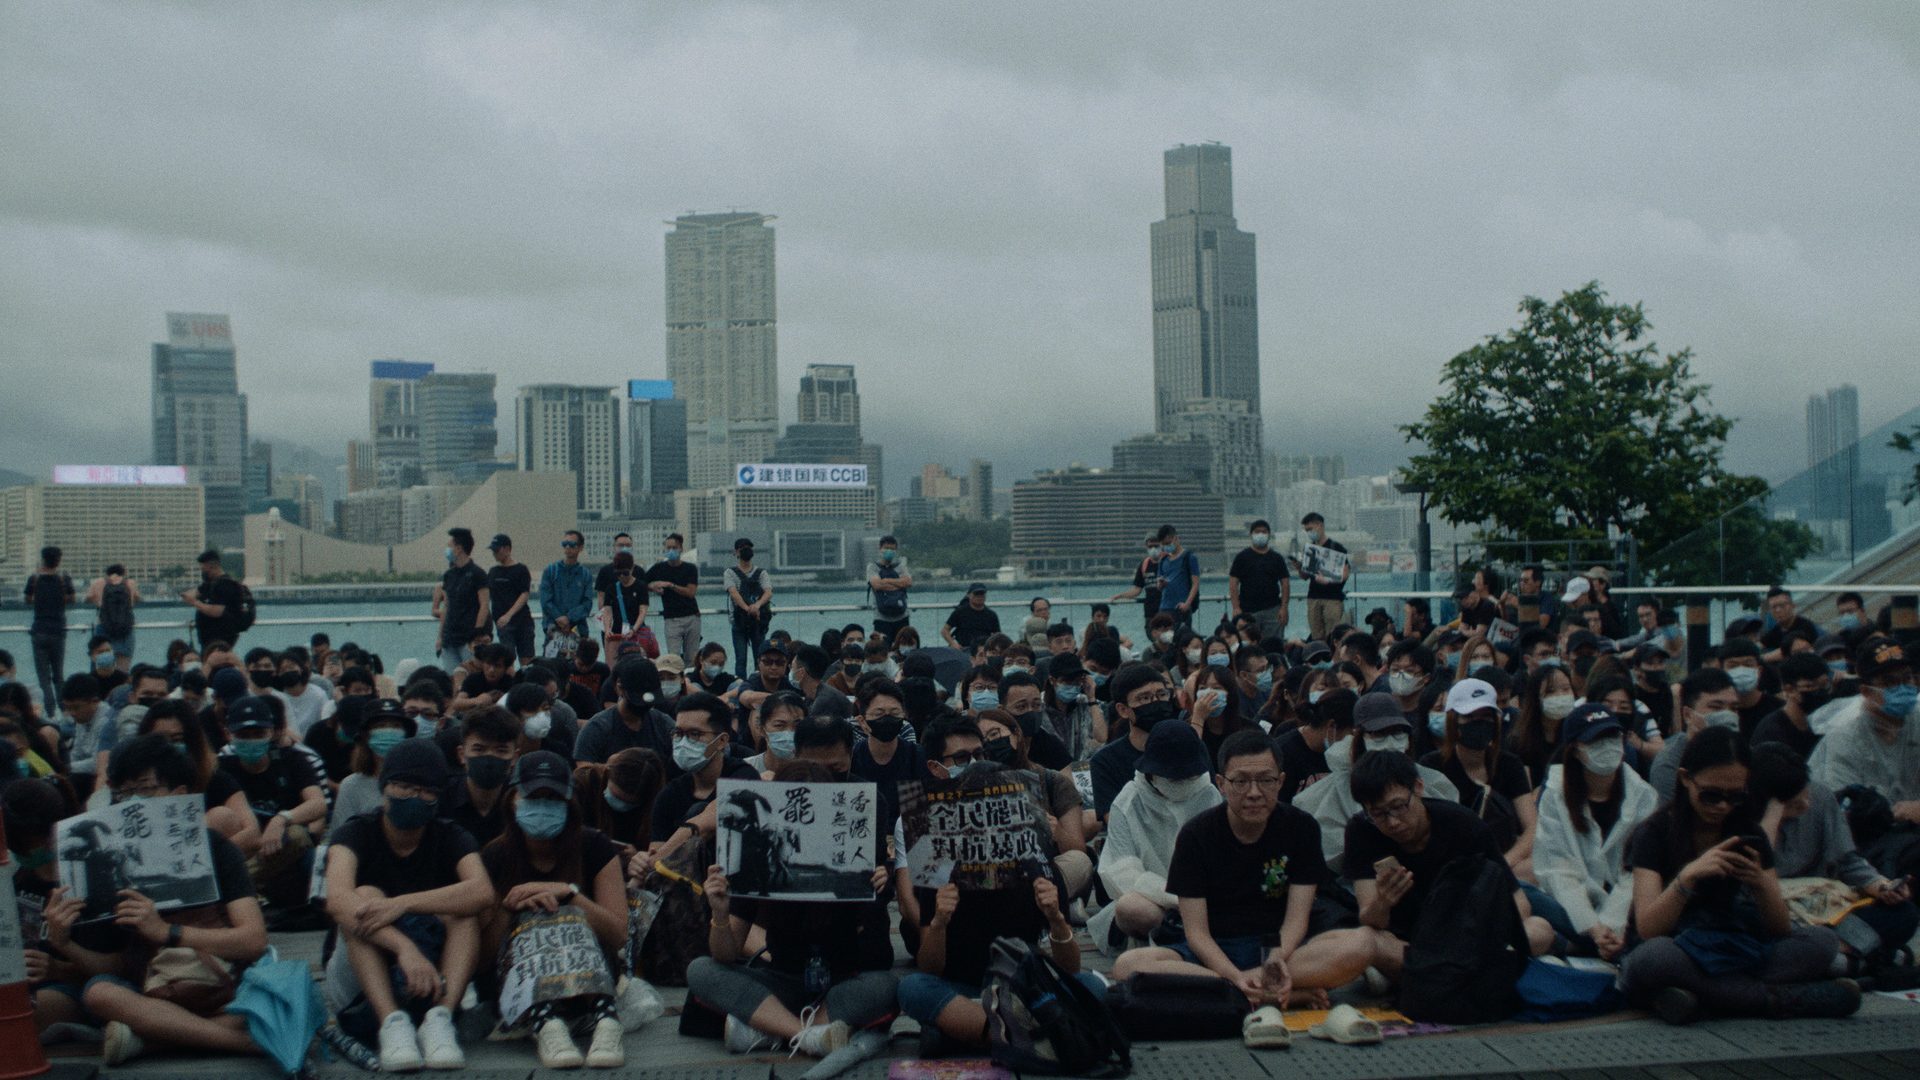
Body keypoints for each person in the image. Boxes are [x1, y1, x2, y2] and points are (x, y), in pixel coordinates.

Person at [1110, 728, 1389, 1008]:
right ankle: (1263, 993)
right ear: (1221, 784)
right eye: (1240, 781)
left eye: (1265, 780)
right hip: (1213, 952)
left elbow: (1296, 920)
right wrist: (1234, 975)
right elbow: (1197, 934)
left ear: (1280, 781)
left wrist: (1275, 960)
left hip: (1281, 949)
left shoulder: (1301, 827)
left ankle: (1231, 994)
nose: (1254, 793)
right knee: (1129, 965)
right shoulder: (1196, 835)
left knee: (1362, 943)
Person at [51, 738, 271, 1066]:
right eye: (122, 794)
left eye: (145, 789)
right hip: (152, 990)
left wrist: (167, 931)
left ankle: (154, 1039)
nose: (131, 803)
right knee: (99, 992)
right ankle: (240, 1039)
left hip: (221, 982)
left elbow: (253, 941)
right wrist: (65, 942)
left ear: (178, 795)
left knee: (263, 996)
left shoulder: (215, 848)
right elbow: (117, 966)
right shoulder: (106, 862)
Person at [1620, 726, 1860, 1024]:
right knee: (1653, 958)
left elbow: (1779, 928)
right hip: (1676, 945)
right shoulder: (1655, 832)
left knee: (1822, 941)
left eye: (1734, 797)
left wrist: (1761, 885)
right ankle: (1778, 999)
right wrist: (1686, 880)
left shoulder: (1748, 832)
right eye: (1710, 795)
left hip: (1729, 946)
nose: (1721, 806)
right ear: (1685, 779)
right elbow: (1648, 929)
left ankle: (1705, 999)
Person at [688, 759, 899, 1057]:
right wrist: (720, 914)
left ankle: (769, 1031)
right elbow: (725, 954)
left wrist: (876, 899)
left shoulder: (851, 860)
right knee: (701, 970)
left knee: (886, 985)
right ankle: (806, 1036)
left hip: (840, 983)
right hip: (782, 981)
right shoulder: (757, 864)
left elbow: (880, 960)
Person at [324, 738, 490, 1070]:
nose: (413, 796)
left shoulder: (450, 836)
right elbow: (337, 900)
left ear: (438, 797)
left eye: (425, 790)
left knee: (464, 911)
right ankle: (392, 1024)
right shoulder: (355, 833)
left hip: (431, 978)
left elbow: (482, 891)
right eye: (402, 786)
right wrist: (404, 949)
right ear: (384, 787)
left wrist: (403, 904)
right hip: (362, 978)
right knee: (366, 897)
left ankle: (439, 1019)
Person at [898, 768, 1088, 1054]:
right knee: (912, 988)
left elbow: (1071, 967)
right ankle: (1025, 1036)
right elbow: (930, 967)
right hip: (964, 989)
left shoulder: (1037, 865)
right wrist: (939, 922)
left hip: (1024, 989)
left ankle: (973, 1033)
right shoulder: (939, 868)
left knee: (1091, 985)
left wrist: (1056, 919)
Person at [1344, 751, 1554, 984]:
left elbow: (1519, 902)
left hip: (1466, 935)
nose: (1393, 822)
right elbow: (1370, 921)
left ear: (1419, 787)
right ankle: (1452, 974)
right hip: (1409, 943)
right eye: (1378, 814)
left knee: (1539, 929)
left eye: (1399, 806)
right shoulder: (1361, 831)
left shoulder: (1463, 825)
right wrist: (1383, 902)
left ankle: (1425, 976)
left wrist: (1475, 933)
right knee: (1369, 940)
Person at [479, 752, 627, 1068]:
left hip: (589, 977)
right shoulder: (495, 856)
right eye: (534, 797)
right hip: (522, 981)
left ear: (569, 802)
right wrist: (510, 908)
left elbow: (618, 934)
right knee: (535, 919)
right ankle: (547, 1024)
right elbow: (483, 955)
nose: (543, 806)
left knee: (566, 915)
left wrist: (571, 896)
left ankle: (606, 1020)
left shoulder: (595, 846)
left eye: (553, 798)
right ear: (513, 799)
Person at [1752, 742, 1918, 974]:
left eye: (1806, 794)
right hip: (1776, 912)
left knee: (1904, 915)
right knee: (1751, 924)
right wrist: (1773, 817)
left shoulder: (1820, 796)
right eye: (1794, 802)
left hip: (1825, 909)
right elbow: (1756, 870)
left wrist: (1882, 886)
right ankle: (1867, 958)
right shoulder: (1748, 813)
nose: (1806, 804)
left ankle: (1839, 957)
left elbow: (1847, 862)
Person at [1531, 704, 1658, 959]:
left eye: (1613, 737)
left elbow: (1635, 874)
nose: (1608, 746)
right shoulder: (1555, 795)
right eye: (1596, 740)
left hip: (1627, 909)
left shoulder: (1644, 796)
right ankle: (1591, 945)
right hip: (1574, 908)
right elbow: (1558, 869)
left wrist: (1611, 925)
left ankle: (1588, 947)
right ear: (1576, 749)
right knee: (1524, 892)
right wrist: (1593, 928)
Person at [1087, 719, 1224, 953]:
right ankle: (1183, 935)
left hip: (1206, 900)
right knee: (1131, 908)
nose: (1181, 783)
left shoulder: (1208, 794)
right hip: (1155, 901)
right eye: (1173, 777)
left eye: (1187, 777)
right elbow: (1121, 872)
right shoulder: (1128, 801)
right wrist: (1177, 900)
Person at [1296, 693, 1458, 873]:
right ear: (1359, 738)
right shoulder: (1332, 792)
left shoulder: (1435, 782)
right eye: (1379, 734)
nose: (1389, 742)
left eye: (1397, 733)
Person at [217, 695, 327, 909]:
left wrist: (281, 819)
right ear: (229, 734)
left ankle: (237, 888)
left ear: (272, 733)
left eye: (258, 734)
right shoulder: (221, 769)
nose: (251, 741)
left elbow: (318, 804)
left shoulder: (293, 760)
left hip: (282, 852)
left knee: (297, 837)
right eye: (243, 735)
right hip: (240, 850)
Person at [977, 708, 1092, 899]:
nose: (990, 743)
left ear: (1016, 733)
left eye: (995, 734)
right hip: (1000, 873)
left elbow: (1077, 848)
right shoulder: (976, 784)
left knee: (1079, 862)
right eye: (983, 741)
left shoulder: (1052, 781)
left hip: (1048, 872)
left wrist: (1056, 832)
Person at [1419, 679, 1535, 860]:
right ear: (1453, 721)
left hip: (1506, 859)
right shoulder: (1432, 766)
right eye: (1470, 717)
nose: (1478, 723)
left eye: (1486, 717)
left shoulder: (1510, 764)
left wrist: (1504, 864)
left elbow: (1531, 827)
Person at [1808, 637, 1920, 824]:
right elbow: (1844, 813)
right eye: (1889, 682)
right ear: (1866, 691)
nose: (1901, 687)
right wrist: (1897, 815)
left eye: (1907, 678)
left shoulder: (1917, 719)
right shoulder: (1843, 739)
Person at [652, 691, 757, 844]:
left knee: (699, 809)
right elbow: (656, 848)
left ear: (721, 741)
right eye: (678, 733)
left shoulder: (742, 776)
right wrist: (642, 862)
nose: (683, 742)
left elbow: (706, 825)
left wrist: (658, 858)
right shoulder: (670, 793)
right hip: (680, 868)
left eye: (695, 734)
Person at [1087, 662, 1177, 818]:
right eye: (1145, 698)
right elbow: (1114, 820)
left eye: (1162, 695)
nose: (1155, 702)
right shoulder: (1105, 762)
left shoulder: (1188, 747)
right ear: (1123, 710)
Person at [437, 706, 523, 848]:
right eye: (479, 749)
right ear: (462, 754)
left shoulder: (522, 805)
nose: (489, 757)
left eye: (501, 750)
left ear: (514, 758)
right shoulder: (441, 800)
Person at [1650, 668, 1741, 801]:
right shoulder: (1669, 764)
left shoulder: (1742, 753)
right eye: (1716, 707)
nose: (1728, 715)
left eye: (1734, 709)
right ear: (1688, 715)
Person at [574, 656, 676, 768]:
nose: (644, 707)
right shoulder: (597, 728)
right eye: (637, 700)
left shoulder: (664, 724)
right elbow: (582, 771)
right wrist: (612, 768)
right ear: (620, 688)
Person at [337, 697, 416, 825]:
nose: (389, 731)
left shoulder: (419, 784)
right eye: (380, 726)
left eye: (396, 726)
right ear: (366, 736)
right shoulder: (350, 786)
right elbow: (339, 836)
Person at [1750, 652, 1832, 762]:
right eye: (1810, 686)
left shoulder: (1829, 723)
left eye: (1825, 684)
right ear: (1789, 690)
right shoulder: (1771, 734)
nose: (1820, 691)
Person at [25, 545, 75, 716]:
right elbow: (72, 599)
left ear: (43, 559)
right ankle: (65, 712)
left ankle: (50, 713)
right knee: (58, 676)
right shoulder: (64, 578)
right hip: (58, 630)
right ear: (58, 560)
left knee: (43, 678)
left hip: (39, 630)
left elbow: (27, 599)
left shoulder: (34, 578)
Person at [432, 528, 490, 674]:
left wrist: (477, 635)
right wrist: (440, 637)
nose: (448, 550)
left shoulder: (478, 574)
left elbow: (484, 605)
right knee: (453, 680)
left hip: (468, 639)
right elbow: (447, 606)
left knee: (472, 677)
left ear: (459, 549)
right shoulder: (449, 575)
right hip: (449, 639)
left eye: (449, 546)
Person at [1227, 520, 1290, 642]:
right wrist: (1236, 607)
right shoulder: (1242, 557)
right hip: (1247, 610)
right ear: (1251, 534)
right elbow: (1233, 583)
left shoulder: (1277, 558)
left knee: (1274, 644)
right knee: (1248, 644)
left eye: (1264, 532)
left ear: (1269, 535)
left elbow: (1285, 583)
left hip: (1273, 610)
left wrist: (1284, 608)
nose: (1261, 534)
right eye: (1257, 532)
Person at [646, 532, 701, 664]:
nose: (671, 551)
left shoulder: (690, 568)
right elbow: (640, 583)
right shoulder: (658, 568)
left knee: (692, 658)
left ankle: (689, 682)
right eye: (668, 548)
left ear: (681, 548)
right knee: (674, 658)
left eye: (674, 548)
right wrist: (652, 586)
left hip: (692, 617)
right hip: (671, 619)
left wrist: (671, 585)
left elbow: (690, 592)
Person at [539, 530, 596, 657]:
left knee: (577, 669)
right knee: (551, 668)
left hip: (578, 630)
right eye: (565, 544)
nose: (568, 548)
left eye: (572, 544)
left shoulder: (585, 574)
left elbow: (587, 603)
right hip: (553, 630)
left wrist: (569, 618)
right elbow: (545, 600)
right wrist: (559, 617)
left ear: (580, 547)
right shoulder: (551, 571)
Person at [723, 538, 773, 678]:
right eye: (742, 547)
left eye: (748, 547)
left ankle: (760, 683)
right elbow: (733, 593)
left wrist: (756, 606)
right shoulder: (730, 573)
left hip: (759, 622)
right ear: (736, 552)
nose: (746, 549)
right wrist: (749, 609)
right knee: (741, 659)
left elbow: (768, 592)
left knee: (760, 658)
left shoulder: (761, 573)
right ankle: (741, 686)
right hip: (739, 622)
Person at [1299, 513, 1350, 640]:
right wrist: (1298, 566)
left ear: (1320, 525)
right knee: (1316, 635)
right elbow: (1305, 576)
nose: (1309, 533)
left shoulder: (1336, 547)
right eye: (1307, 531)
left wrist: (1328, 580)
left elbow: (1345, 573)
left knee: (1334, 635)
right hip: (1313, 597)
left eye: (1310, 529)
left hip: (1332, 598)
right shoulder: (1310, 549)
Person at [486, 534, 536, 663]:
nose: (494, 554)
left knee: (527, 660)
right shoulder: (493, 572)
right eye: (493, 551)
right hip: (502, 624)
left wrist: (508, 615)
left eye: (497, 550)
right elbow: (486, 595)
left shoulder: (521, 570)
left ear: (507, 549)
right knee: (506, 661)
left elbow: (524, 595)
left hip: (522, 622)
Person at [84, 563, 140, 672]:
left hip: (103, 626)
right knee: (123, 668)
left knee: (100, 666)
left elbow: (87, 598)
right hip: (125, 628)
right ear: (123, 573)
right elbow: (137, 598)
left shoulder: (98, 583)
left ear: (107, 573)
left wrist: (98, 603)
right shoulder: (130, 583)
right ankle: (120, 686)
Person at [597, 551, 649, 665]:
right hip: (616, 633)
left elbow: (643, 611)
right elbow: (607, 611)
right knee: (612, 666)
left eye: (625, 573)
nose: (622, 576)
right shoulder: (611, 588)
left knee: (637, 664)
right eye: (618, 573)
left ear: (632, 569)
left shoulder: (641, 586)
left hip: (636, 631)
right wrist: (607, 630)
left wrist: (634, 629)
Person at [1110, 532, 1167, 634]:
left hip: (1168, 610)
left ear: (1161, 545)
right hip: (1151, 612)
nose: (1153, 548)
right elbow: (1137, 589)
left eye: (1156, 545)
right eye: (1150, 546)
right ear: (1146, 546)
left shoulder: (1168, 561)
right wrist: (1120, 596)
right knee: (1153, 637)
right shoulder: (1144, 564)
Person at [867, 535, 913, 642]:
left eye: (892, 549)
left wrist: (886, 581)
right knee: (882, 649)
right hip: (881, 618)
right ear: (880, 549)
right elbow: (877, 585)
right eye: (886, 548)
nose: (889, 551)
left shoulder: (900, 566)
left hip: (902, 616)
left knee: (904, 648)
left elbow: (908, 582)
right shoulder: (873, 567)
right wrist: (898, 584)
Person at [1155, 524, 1201, 628]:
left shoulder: (1189, 557)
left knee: (1182, 640)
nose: (1166, 546)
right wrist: (1161, 584)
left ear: (1176, 538)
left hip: (1181, 608)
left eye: (1168, 543)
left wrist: (1187, 604)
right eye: (1163, 544)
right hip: (1164, 607)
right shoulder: (1163, 560)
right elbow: (1159, 587)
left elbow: (1195, 583)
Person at [1761, 586, 1821, 664]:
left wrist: (1758, 659)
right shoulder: (1777, 629)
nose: (1778, 610)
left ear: (1793, 606)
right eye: (1774, 607)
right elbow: (1761, 643)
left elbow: (1787, 651)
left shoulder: (1805, 626)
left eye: (1782, 605)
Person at [941, 582, 1001, 653]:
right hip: (963, 649)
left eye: (982, 594)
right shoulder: (960, 612)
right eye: (976, 594)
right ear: (969, 595)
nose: (979, 597)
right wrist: (953, 643)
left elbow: (997, 636)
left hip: (983, 651)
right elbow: (945, 631)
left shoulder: (991, 615)